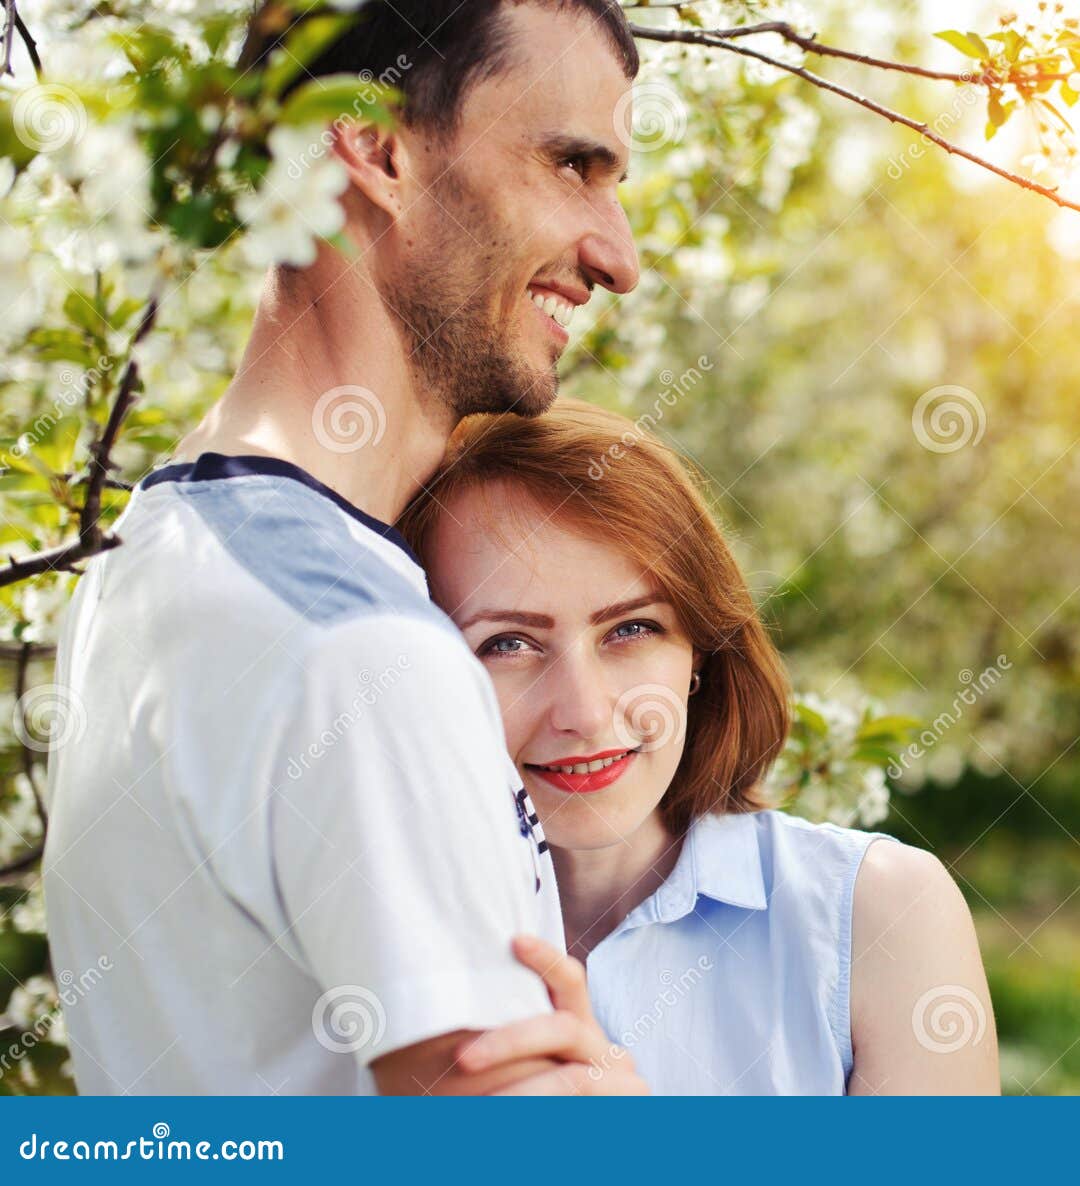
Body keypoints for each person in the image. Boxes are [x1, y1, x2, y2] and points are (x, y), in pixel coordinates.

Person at [43, 0, 644, 1095]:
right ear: (374, 151)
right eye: (571, 166)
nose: (619, 255)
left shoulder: (149, 558)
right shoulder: (363, 651)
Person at [400, 402, 1000, 1094]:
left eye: (630, 630)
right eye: (507, 644)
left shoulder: (880, 914)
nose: (587, 713)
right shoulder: (366, 941)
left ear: (699, 654)